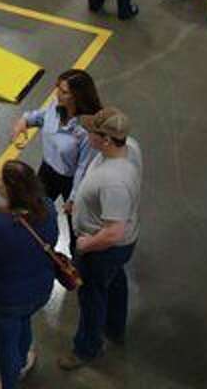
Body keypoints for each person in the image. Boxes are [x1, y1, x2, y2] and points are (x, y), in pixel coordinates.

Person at [59, 108, 142, 372]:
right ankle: (115, 328)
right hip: (118, 245)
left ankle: (87, 348)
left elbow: (113, 232)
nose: (87, 134)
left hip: (104, 248)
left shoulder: (114, 182)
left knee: (91, 297)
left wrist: (86, 244)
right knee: (115, 280)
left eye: (92, 132)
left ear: (106, 140)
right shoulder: (130, 146)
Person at [0, 160, 60, 389]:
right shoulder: (47, 207)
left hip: (5, 299)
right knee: (24, 321)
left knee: (6, 343)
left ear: (9, 190)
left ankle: (9, 384)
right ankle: (24, 359)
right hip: (39, 290)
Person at [9, 69, 102, 208]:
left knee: (74, 218)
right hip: (47, 170)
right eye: (58, 87)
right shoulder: (56, 105)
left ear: (78, 97)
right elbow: (42, 116)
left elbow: (83, 167)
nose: (57, 94)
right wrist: (25, 121)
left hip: (70, 180)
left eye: (64, 92)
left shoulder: (86, 130)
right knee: (37, 209)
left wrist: (73, 198)